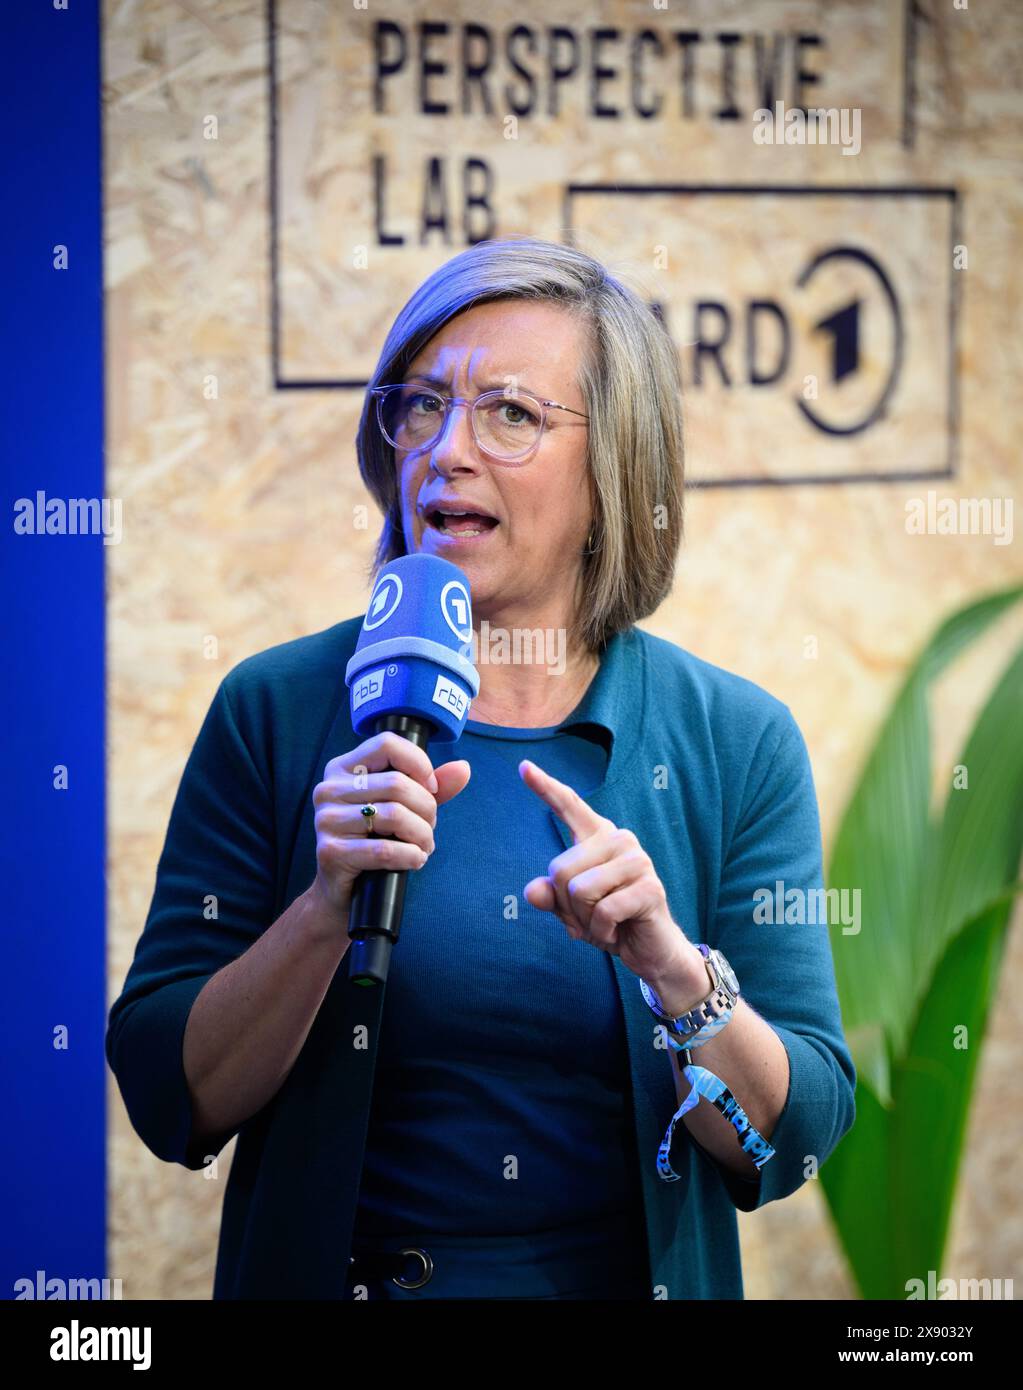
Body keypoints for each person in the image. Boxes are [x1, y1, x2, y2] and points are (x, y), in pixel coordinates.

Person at [106, 235, 856, 1301]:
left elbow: (798, 1137)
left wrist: (676, 973)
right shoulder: (276, 709)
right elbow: (166, 1097)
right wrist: (323, 909)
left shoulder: (735, 738)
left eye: (510, 413)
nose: (445, 449)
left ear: (614, 471)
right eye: (422, 405)